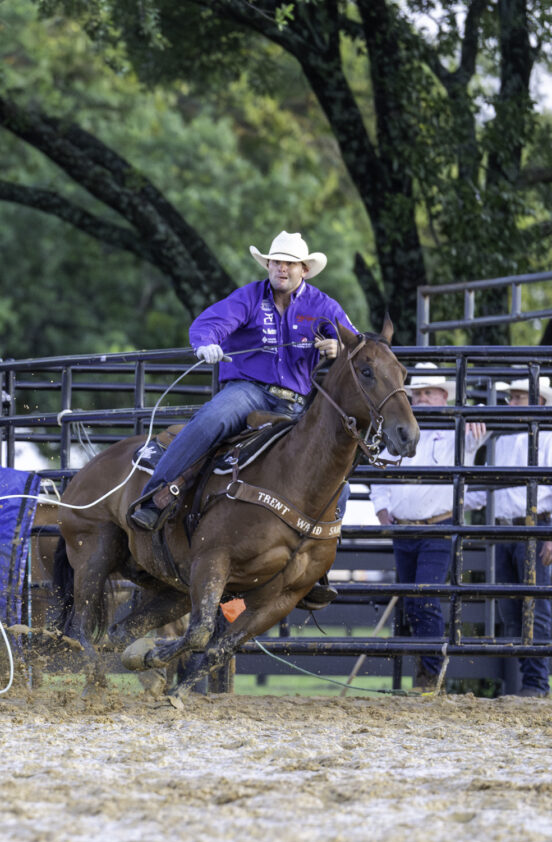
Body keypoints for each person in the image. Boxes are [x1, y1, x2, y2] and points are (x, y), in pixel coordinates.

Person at [130, 231, 357, 537]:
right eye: (276, 261)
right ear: (268, 265)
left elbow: (358, 346)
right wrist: (205, 345)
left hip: (297, 402)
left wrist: (339, 349)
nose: (282, 268)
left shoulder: (324, 306)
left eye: (290, 264)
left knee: (331, 465)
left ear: (304, 269)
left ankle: (320, 545)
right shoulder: (249, 297)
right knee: (213, 418)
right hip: (247, 391)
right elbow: (209, 324)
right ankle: (154, 499)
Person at [369, 365, 486, 693]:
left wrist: (474, 413)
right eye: (417, 393)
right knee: (413, 602)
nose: (421, 398)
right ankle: (424, 673)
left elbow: (479, 421)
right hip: (403, 529)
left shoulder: (455, 430)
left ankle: (430, 676)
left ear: (444, 397)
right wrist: (382, 509)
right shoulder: (398, 429)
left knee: (425, 598)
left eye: (428, 393)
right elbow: (381, 472)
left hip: (437, 526)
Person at [467, 375, 552, 698]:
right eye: (512, 398)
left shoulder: (547, 439)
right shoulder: (501, 440)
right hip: (506, 528)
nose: (512, 404)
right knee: (511, 610)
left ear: (539, 402)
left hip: (536, 526)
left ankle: (535, 683)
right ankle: (528, 682)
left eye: (519, 398)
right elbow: (488, 487)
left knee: (535, 610)